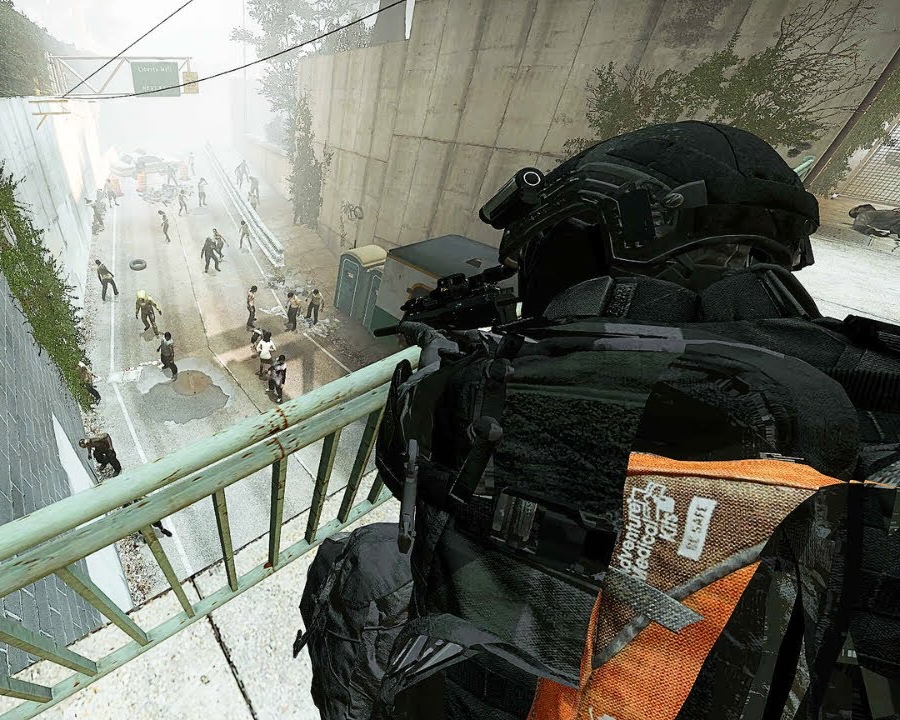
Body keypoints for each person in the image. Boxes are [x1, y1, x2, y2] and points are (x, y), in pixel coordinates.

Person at [368, 121, 900, 720]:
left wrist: (450, 359)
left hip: (544, 674)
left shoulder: (560, 384)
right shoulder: (862, 372)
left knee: (363, 566)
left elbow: (404, 455)